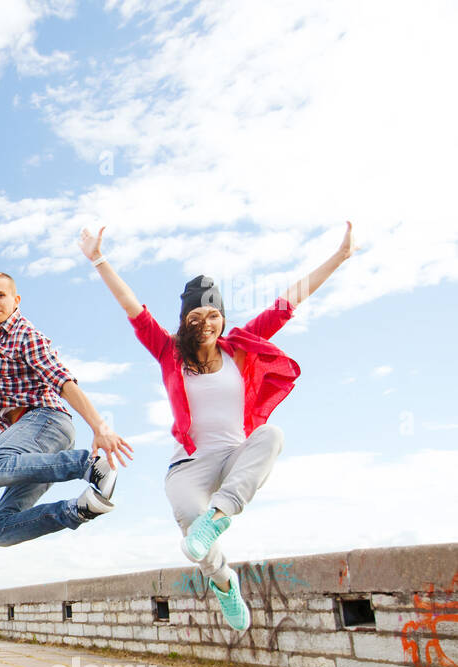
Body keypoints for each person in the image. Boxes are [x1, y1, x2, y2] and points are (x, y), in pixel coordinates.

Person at [78, 222, 356, 630]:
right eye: (196, 316)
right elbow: (132, 306)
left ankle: (223, 512)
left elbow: (290, 300)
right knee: (193, 536)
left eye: (213, 315)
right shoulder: (168, 351)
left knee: (272, 435)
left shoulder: (241, 345)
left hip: (235, 456)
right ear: (184, 320)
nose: (206, 323)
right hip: (189, 464)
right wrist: (99, 259)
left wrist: (340, 256)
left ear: (222, 317)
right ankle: (225, 582)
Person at [0, 270, 133, 547]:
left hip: (47, 421)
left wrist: (99, 427)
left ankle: (87, 465)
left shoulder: (26, 335)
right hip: (33, 447)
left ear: (16, 300)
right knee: (0, 530)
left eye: (0, 295)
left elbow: (63, 381)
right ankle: (79, 509)